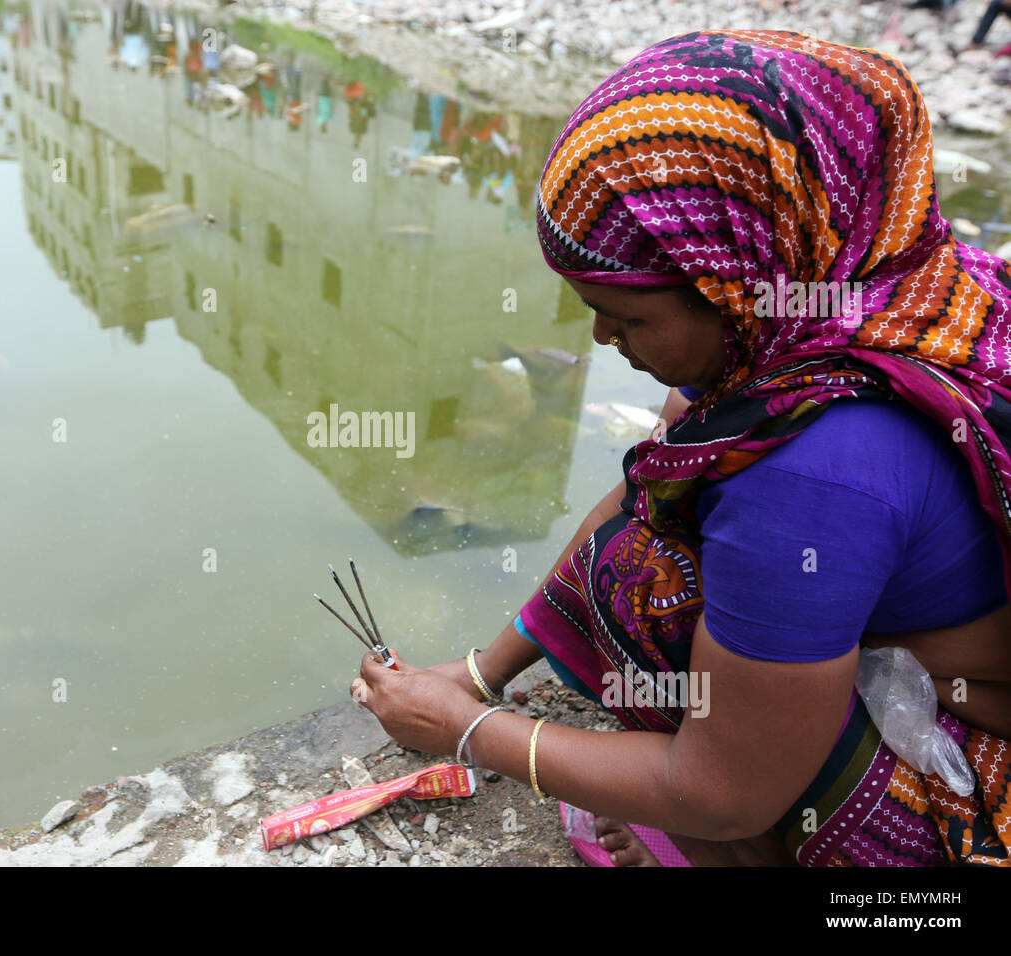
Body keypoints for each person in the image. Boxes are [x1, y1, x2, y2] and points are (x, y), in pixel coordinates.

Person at [352, 29, 1011, 866]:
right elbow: (640, 496)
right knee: (654, 516)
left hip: (976, 787)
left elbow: (722, 791)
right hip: (932, 659)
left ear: (730, 284)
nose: (599, 337)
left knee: (653, 592)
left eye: (626, 318)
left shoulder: (811, 470)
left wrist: (469, 730)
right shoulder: (864, 292)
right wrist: (482, 675)